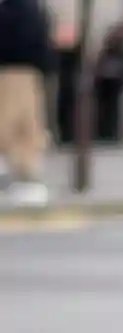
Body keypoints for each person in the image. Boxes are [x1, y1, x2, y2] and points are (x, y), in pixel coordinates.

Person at [0, 0, 55, 206]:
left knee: (13, 125)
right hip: (29, 69)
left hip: (12, 68)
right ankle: (26, 177)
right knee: (25, 126)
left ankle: (23, 177)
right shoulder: (29, 7)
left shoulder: (13, 8)